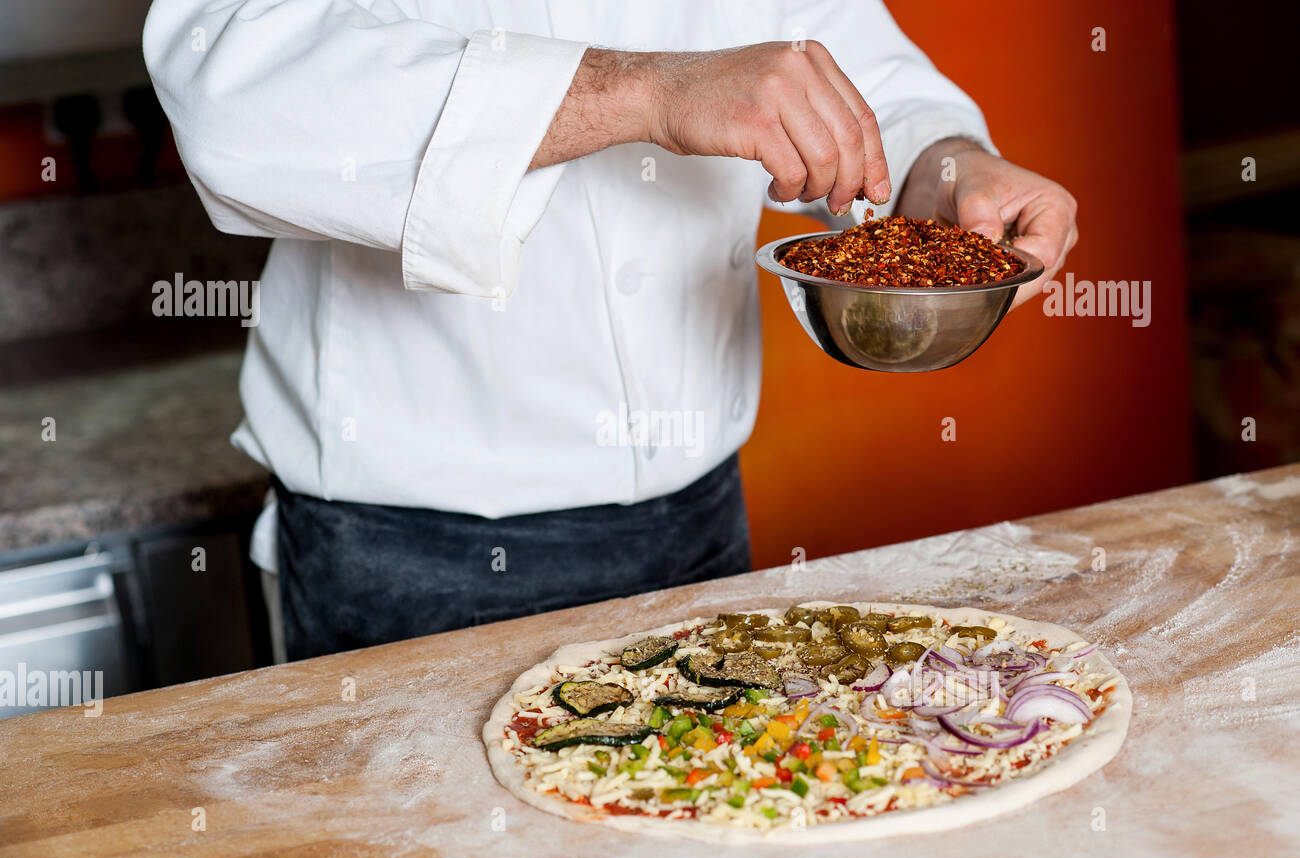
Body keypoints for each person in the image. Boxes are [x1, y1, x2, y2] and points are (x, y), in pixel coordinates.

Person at [143, 1, 1077, 660]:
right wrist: (644, 93)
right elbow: (230, 91)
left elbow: (841, 66)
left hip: (700, 523)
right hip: (410, 558)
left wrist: (950, 168)